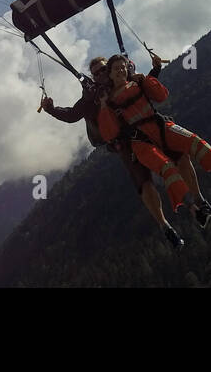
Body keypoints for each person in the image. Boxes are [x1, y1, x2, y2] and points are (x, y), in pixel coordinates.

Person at [40, 54, 200, 249]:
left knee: (181, 157)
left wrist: (156, 69)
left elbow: (146, 87)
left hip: (151, 130)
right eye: (95, 73)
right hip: (127, 144)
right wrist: (51, 109)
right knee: (144, 183)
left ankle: (199, 202)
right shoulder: (92, 97)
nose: (100, 74)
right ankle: (165, 226)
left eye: (102, 69)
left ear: (109, 69)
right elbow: (72, 115)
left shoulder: (126, 76)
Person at [97, 54, 211, 228]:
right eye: (116, 68)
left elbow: (161, 95)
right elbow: (109, 133)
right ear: (109, 74)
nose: (121, 71)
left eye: (123, 67)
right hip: (140, 141)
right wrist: (102, 106)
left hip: (159, 125)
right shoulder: (109, 102)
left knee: (194, 141)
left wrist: (145, 79)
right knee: (167, 168)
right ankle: (195, 210)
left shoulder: (138, 83)